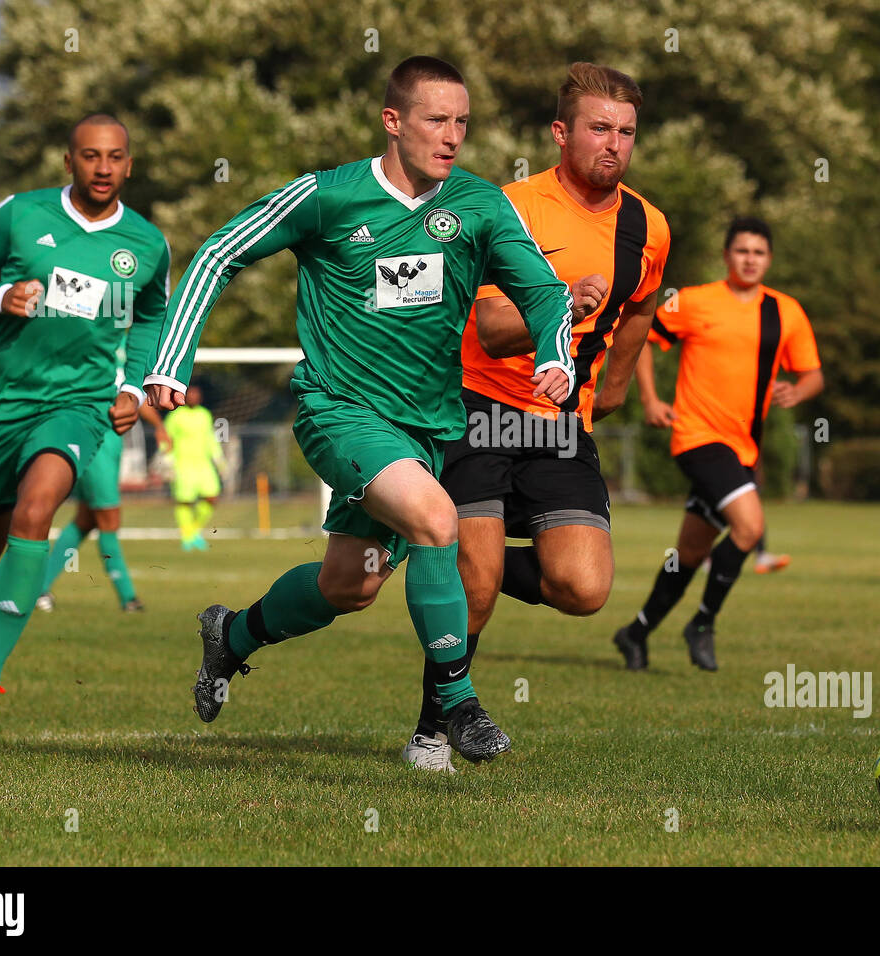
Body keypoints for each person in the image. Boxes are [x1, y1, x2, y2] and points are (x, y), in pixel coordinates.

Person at [142, 56, 577, 764]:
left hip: (424, 428)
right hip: (337, 412)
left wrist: (554, 354)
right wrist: (171, 360)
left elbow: (546, 291)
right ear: (393, 120)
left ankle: (233, 634)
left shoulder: (477, 205)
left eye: (462, 121)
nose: (452, 136)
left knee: (352, 583)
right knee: (439, 520)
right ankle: (458, 705)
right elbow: (220, 250)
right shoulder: (329, 197)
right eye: (437, 119)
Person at [402, 62, 670, 771]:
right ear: (561, 133)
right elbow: (490, 328)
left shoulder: (648, 225)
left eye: (626, 132)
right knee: (480, 583)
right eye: (598, 129)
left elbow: (642, 302)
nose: (613, 144)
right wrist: (558, 305)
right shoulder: (508, 207)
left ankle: (451, 565)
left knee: (583, 589)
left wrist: (613, 388)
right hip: (477, 407)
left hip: (556, 421)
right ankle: (434, 729)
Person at [0, 113, 171, 729]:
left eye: (114, 157)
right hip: (0, 400)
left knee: (35, 510)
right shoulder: (22, 212)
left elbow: (150, 320)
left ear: (129, 163)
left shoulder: (146, 245)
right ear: (69, 161)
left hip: (80, 404)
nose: (102, 168)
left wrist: (128, 386)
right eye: (89, 156)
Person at [613, 217, 823, 671]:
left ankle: (635, 632)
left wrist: (797, 391)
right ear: (727, 255)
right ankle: (703, 624)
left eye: (759, 253)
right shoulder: (693, 301)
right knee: (749, 529)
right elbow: (642, 339)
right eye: (742, 251)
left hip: (744, 448)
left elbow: (813, 375)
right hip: (698, 438)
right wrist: (650, 399)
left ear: (769, 259)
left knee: (688, 553)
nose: (750, 259)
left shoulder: (784, 311)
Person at [38, 382, 169, 609]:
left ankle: (39, 589)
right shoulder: (103, 354)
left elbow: (131, 398)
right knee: (109, 520)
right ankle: (128, 599)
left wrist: (158, 424)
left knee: (85, 520)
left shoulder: (124, 357)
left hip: (109, 443)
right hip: (97, 444)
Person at [164, 382, 225, 551]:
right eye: (190, 394)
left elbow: (210, 439)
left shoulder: (204, 414)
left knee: (212, 497)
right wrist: (168, 461)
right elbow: (167, 439)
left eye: (196, 394)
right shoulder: (176, 416)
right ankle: (187, 537)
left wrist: (219, 459)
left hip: (204, 464)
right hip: (183, 464)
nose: (193, 397)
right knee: (185, 502)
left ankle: (192, 531)